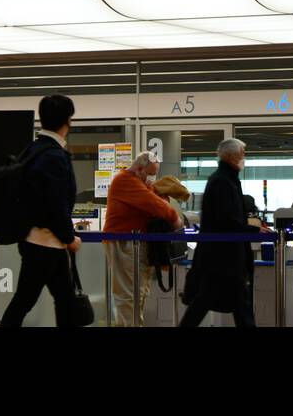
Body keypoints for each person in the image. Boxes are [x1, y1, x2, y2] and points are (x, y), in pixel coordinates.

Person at [0, 94, 82, 327]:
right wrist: (69, 237)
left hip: (41, 241)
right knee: (25, 299)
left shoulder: (33, 150)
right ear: (67, 122)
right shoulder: (53, 156)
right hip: (44, 242)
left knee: (64, 299)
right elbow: (55, 204)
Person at [179, 138, 269, 327]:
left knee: (209, 302)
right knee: (234, 304)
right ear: (231, 156)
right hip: (225, 258)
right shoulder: (222, 181)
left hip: (221, 257)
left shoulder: (226, 179)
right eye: (242, 154)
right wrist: (253, 230)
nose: (244, 158)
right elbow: (226, 221)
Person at [103, 151, 178, 326]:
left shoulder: (139, 180)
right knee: (129, 293)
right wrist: (174, 217)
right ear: (139, 168)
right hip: (123, 243)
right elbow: (152, 202)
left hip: (136, 243)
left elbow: (155, 199)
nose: (152, 179)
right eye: (150, 174)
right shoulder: (125, 180)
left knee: (139, 291)